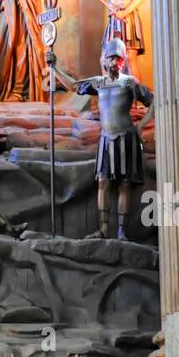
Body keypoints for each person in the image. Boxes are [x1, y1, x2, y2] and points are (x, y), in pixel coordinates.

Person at [70, 37, 154, 240]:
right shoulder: (99, 83)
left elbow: (153, 102)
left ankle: (121, 232)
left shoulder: (130, 82)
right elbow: (73, 86)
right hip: (106, 139)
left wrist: (141, 125)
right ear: (104, 60)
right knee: (103, 183)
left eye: (118, 58)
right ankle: (103, 229)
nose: (114, 62)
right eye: (111, 58)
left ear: (123, 61)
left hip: (126, 137)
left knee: (124, 185)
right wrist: (54, 66)